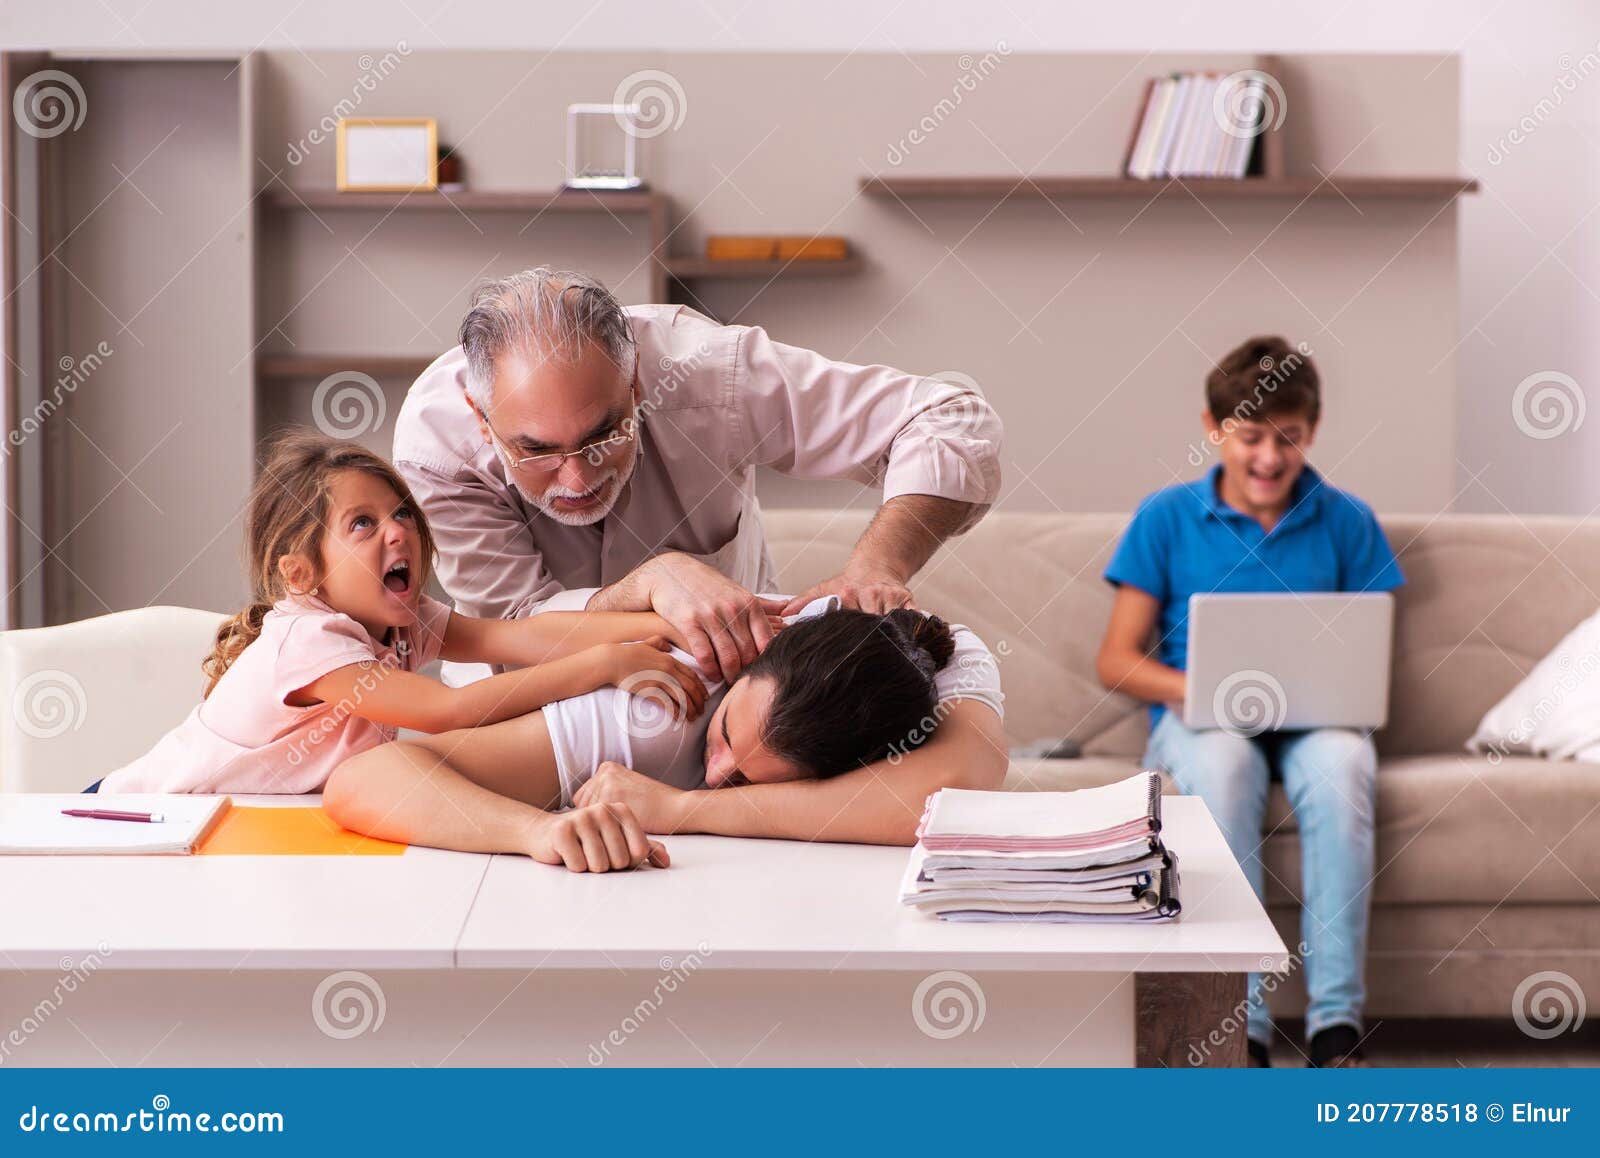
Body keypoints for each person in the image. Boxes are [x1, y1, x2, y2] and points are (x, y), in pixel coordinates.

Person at [99, 432, 713, 870]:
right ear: (302, 573)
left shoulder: (399, 619)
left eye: (400, 514)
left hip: (231, 833)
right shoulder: (306, 640)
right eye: (361, 524)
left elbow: (520, 638)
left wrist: (659, 624)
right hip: (129, 821)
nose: (398, 530)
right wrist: (607, 663)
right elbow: (448, 711)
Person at [391, 266, 1004, 686]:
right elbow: (512, 630)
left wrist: (879, 567)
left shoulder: (710, 374)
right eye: (537, 451)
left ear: (636, 381)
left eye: (604, 434)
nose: (575, 479)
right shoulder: (436, 447)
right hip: (530, 711)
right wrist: (644, 586)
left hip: (728, 705)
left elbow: (952, 418)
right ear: (480, 417)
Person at [1095, 336, 1403, 1069]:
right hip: (1202, 721)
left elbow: (1368, 650)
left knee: (1345, 764)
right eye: (1252, 437)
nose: (1269, 458)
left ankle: (1335, 1026)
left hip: (1313, 722)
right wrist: (1204, 693)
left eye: (1288, 440)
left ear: (1312, 433)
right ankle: (1245, 1030)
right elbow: (1116, 660)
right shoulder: (1166, 517)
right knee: (1227, 765)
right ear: (1215, 427)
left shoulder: (1348, 520)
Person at [323, 600, 1006, 866]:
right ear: (752, 657)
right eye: (728, 734)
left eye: (743, 780)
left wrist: (682, 808)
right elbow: (364, 778)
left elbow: (951, 791)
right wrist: (534, 832)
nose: (717, 772)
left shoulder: (941, 661)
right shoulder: (660, 706)